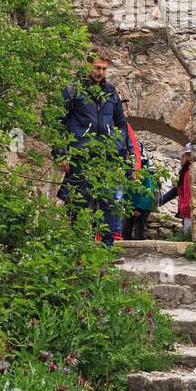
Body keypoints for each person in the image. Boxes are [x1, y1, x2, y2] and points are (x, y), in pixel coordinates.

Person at [56, 53, 131, 246]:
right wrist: (61, 153)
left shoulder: (112, 92)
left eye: (104, 69)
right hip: (81, 154)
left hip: (106, 155)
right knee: (78, 202)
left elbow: (121, 124)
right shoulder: (74, 90)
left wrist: (119, 147)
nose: (100, 73)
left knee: (108, 202)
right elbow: (58, 123)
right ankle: (77, 249)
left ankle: (106, 250)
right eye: (97, 68)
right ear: (88, 67)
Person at [159, 144, 194, 240]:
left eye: (190, 154)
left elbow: (181, 191)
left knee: (189, 237)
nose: (189, 157)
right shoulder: (185, 171)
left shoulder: (189, 171)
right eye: (188, 155)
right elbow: (178, 190)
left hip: (189, 209)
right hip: (186, 209)